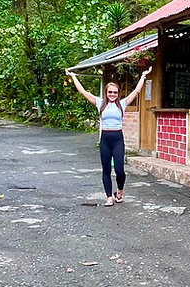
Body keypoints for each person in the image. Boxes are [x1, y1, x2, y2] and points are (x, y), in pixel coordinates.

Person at [65, 66, 152, 206]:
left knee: (119, 170)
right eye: (110, 92)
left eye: (115, 92)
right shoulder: (100, 103)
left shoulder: (122, 104)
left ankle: (120, 191)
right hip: (105, 140)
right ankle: (109, 197)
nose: (112, 94)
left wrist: (143, 76)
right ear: (106, 93)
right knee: (106, 170)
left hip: (117, 139)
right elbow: (83, 91)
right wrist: (73, 76)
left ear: (118, 93)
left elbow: (136, 91)